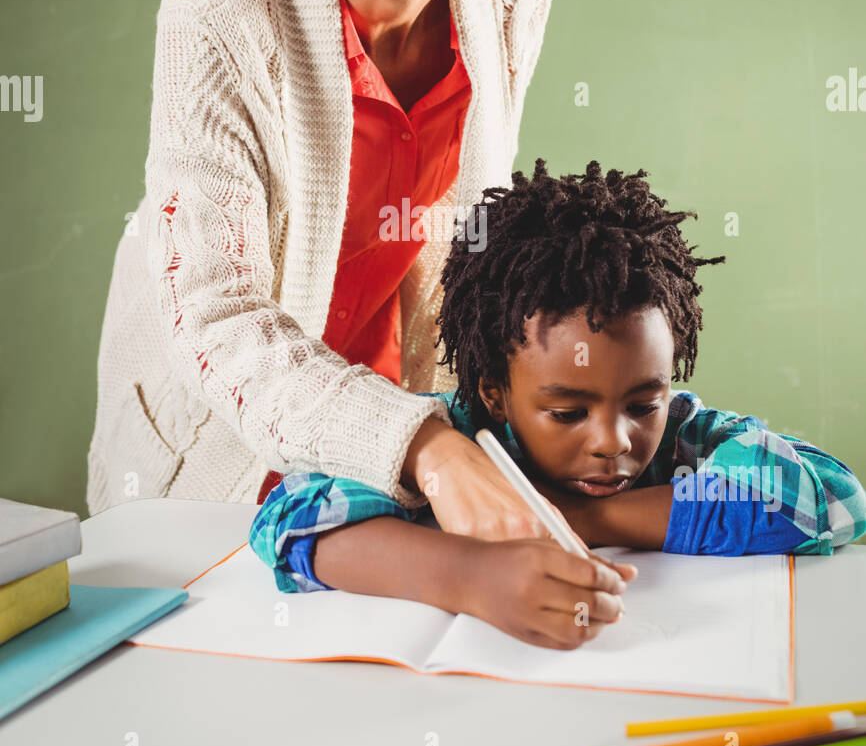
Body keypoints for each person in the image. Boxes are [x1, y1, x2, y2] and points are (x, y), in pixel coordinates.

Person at [85, 0, 568, 545]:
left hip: (388, 454)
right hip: (216, 466)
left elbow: (473, 246)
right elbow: (219, 318)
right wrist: (424, 445)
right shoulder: (221, 17)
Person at [249, 159, 866, 651]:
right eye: (569, 413)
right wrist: (470, 576)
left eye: (643, 403)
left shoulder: (681, 440)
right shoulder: (455, 439)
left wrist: (574, 517)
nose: (614, 441)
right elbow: (291, 518)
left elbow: (832, 497)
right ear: (494, 390)